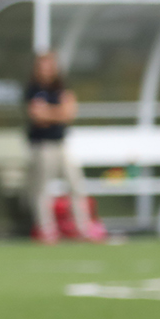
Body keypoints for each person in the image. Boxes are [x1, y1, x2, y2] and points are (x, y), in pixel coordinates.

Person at [26, 50, 96, 243]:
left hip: (61, 143)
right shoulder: (33, 89)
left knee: (75, 184)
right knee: (41, 189)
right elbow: (37, 116)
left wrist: (50, 113)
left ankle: (83, 228)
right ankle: (46, 230)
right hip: (42, 145)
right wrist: (57, 113)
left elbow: (69, 113)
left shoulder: (61, 87)